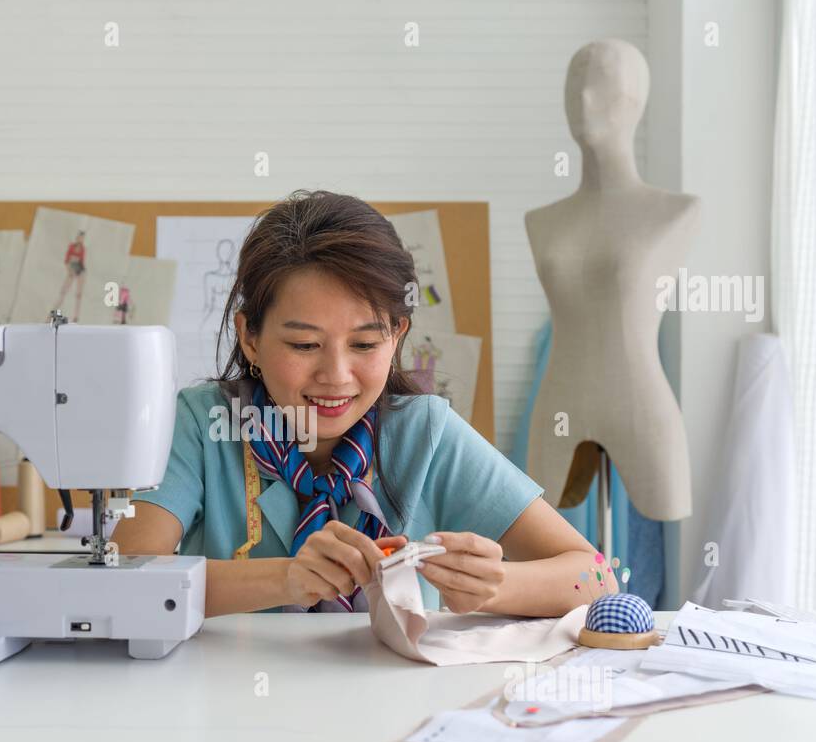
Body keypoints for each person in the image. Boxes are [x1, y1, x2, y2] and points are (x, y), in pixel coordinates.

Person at [113, 190, 616, 619]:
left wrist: (497, 585)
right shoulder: (205, 424)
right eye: (304, 345)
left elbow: (596, 577)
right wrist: (288, 579)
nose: (336, 376)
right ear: (250, 339)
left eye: (365, 344)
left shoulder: (426, 435)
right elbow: (127, 576)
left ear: (397, 337)